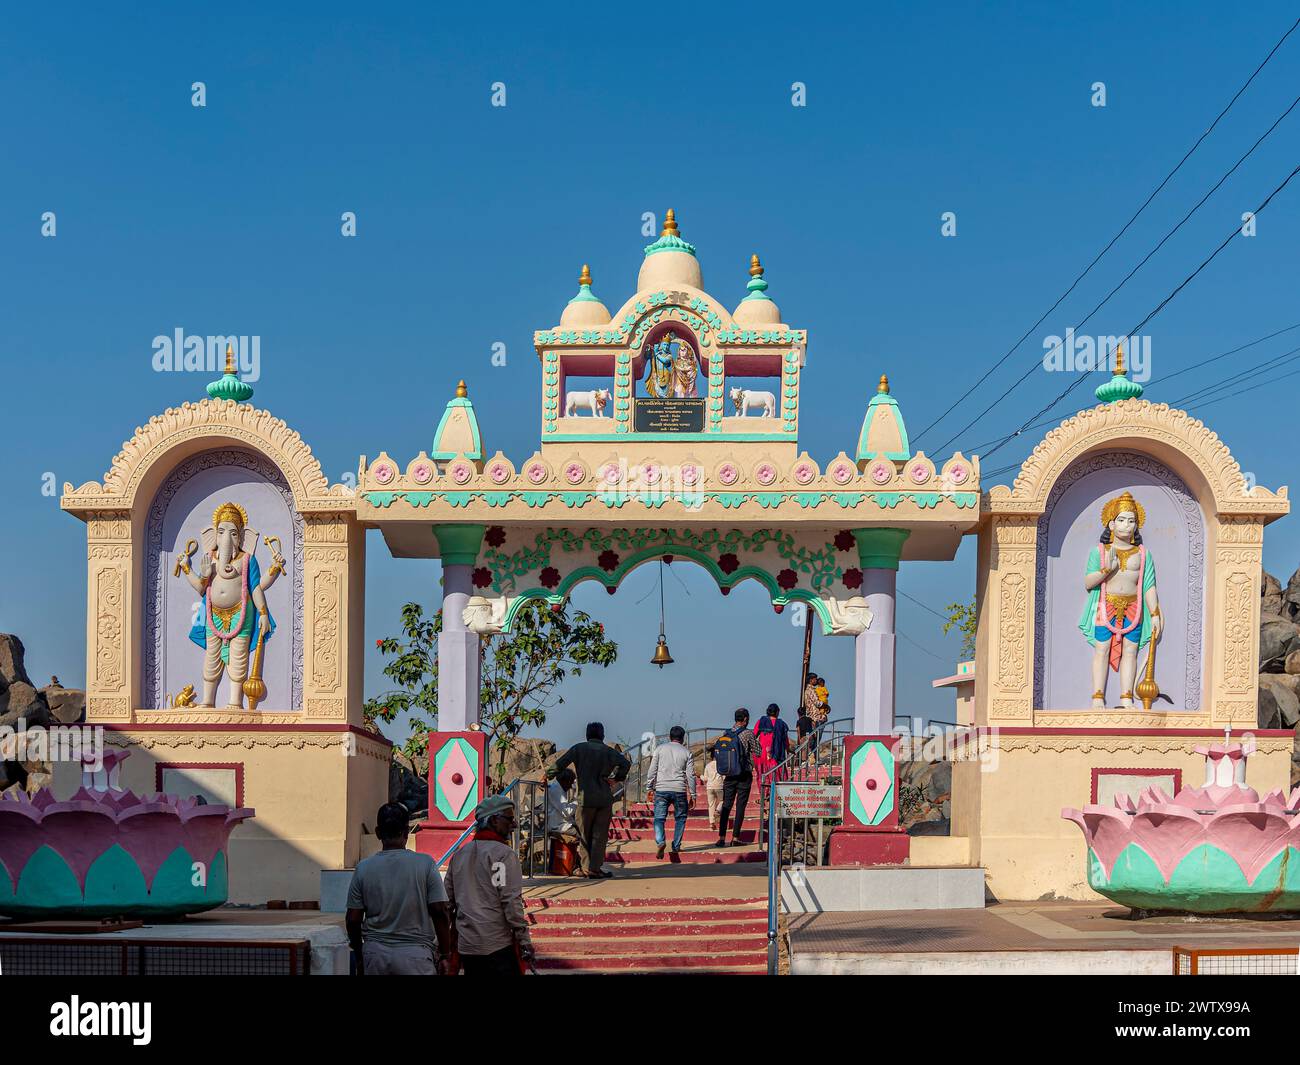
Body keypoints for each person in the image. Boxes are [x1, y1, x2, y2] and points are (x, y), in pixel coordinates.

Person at [345, 802, 451, 976]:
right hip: (416, 956)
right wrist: (445, 954)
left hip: (375, 955)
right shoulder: (425, 864)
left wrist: (359, 955)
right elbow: (439, 911)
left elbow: (353, 920)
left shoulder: (363, 868)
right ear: (407, 832)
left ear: (378, 833)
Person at [444, 794, 535, 976]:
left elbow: (447, 902)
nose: (514, 825)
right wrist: (524, 940)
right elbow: (510, 901)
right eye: (509, 819)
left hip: (468, 947)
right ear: (494, 820)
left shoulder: (459, 855)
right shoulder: (503, 855)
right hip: (497, 947)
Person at [553, 722, 631, 879]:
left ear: (587, 735)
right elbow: (625, 764)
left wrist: (546, 775)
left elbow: (560, 764)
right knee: (599, 836)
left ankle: (586, 867)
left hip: (585, 798)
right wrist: (616, 779)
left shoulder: (578, 749)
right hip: (604, 798)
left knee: (584, 834)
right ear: (602, 735)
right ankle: (595, 868)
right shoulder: (608, 751)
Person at [713, 708, 761, 848]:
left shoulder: (726, 733)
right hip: (743, 774)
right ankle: (735, 837)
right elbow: (758, 751)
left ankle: (721, 838)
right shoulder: (747, 733)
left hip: (728, 774)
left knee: (726, 805)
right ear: (745, 719)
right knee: (740, 806)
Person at [647, 725, 697, 859]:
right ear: (683, 738)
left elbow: (652, 770)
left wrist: (649, 788)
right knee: (680, 819)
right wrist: (693, 794)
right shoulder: (687, 752)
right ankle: (676, 846)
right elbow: (691, 775)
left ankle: (661, 841)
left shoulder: (659, 749)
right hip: (679, 789)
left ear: (670, 737)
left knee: (659, 818)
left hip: (662, 789)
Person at [546, 768, 584, 874]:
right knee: (584, 835)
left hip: (561, 823)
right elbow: (566, 812)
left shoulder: (558, 789)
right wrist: (577, 802)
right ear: (565, 781)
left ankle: (577, 864)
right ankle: (578, 865)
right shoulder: (556, 790)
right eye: (570, 783)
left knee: (582, 831)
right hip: (558, 825)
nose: (570, 787)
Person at [755, 703, 791, 783]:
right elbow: (785, 740)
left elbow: (754, 735)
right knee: (778, 775)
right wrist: (788, 750)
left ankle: (765, 793)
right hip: (777, 754)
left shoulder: (761, 722)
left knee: (764, 776)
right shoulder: (781, 724)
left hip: (763, 753)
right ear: (777, 712)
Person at [701, 745, 724, 832]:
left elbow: (705, 778)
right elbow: (724, 777)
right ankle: (718, 810)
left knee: (711, 805)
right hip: (719, 786)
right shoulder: (721, 765)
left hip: (709, 787)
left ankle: (711, 824)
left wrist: (700, 776)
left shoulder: (708, 765)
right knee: (723, 800)